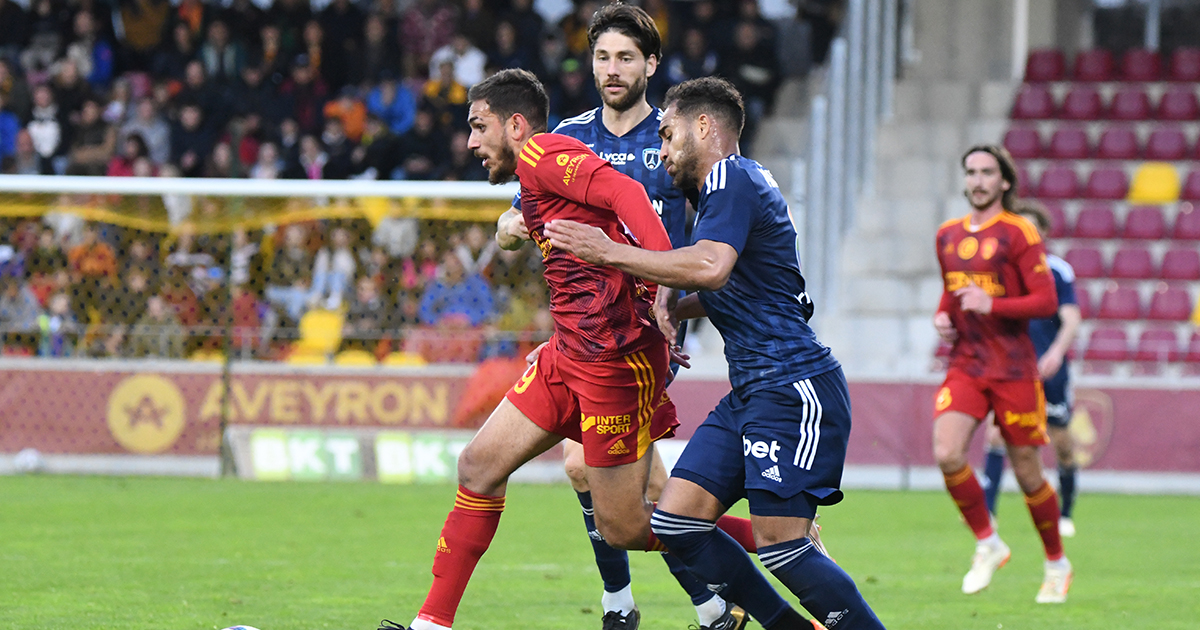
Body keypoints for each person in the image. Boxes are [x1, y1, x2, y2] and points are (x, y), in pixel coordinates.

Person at [378, 68, 780, 630]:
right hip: (567, 356)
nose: (470, 142)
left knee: (626, 526)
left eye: (479, 126)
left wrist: (665, 282)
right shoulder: (533, 179)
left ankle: (774, 537)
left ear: (515, 125)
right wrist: (514, 227)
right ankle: (431, 624)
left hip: (613, 364)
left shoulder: (544, 152)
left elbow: (626, 191)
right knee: (478, 466)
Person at [545, 76, 884, 630]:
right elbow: (740, 283)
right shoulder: (731, 190)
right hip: (752, 388)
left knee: (782, 546)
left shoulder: (731, 176)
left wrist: (611, 254)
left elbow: (710, 267)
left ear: (704, 127)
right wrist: (672, 309)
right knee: (678, 523)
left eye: (668, 133)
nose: (661, 148)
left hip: (792, 385)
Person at [493, 6, 736, 629]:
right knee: (643, 488)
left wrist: (679, 304)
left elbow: (717, 232)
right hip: (589, 338)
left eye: (626, 57)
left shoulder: (678, 138)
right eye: (602, 56)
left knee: (589, 469)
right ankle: (709, 603)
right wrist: (509, 228)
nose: (612, 69)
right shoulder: (568, 136)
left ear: (652, 64)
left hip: (649, 331)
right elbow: (522, 218)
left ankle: (627, 603)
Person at [931, 145, 1072, 603]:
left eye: (987, 173)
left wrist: (994, 304)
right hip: (967, 363)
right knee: (948, 452)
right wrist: (942, 317)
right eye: (970, 172)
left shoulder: (1020, 232)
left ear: (1004, 182)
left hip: (1013, 368)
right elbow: (950, 293)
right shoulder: (947, 235)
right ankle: (988, 542)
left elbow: (1046, 302)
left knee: (1028, 472)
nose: (977, 180)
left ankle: (1056, 562)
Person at [980, 200, 1082, 538]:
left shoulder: (1057, 271)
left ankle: (1065, 513)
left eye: (1032, 230)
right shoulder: (1000, 272)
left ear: (1044, 234)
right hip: (1012, 370)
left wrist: (1054, 353)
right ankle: (988, 515)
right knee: (996, 435)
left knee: (1063, 443)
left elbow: (1070, 319)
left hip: (1050, 371)